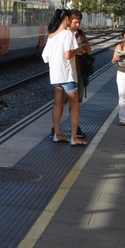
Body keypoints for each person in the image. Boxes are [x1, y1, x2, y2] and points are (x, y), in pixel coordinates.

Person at [41, 9, 86, 146]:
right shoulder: (67, 34)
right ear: (67, 18)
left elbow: (45, 57)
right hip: (68, 75)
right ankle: (74, 137)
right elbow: (67, 55)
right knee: (74, 106)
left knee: (57, 103)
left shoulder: (51, 36)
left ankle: (57, 134)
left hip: (55, 75)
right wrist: (79, 49)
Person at [68, 10, 90, 138]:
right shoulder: (63, 34)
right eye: (75, 22)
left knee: (77, 103)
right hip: (66, 74)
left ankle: (75, 127)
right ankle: (56, 127)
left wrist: (84, 46)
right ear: (69, 20)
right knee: (61, 102)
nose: (77, 25)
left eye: (79, 23)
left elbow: (89, 50)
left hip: (79, 72)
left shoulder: (80, 34)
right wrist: (78, 48)